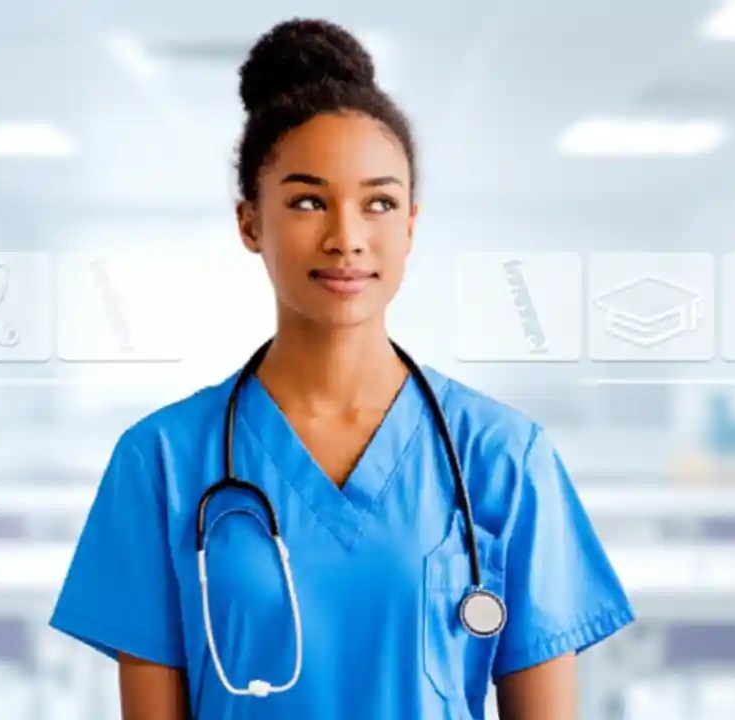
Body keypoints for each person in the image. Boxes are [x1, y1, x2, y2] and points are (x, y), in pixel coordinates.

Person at [49, 17, 634, 719]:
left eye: (378, 203)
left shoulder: (504, 457)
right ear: (249, 223)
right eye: (306, 201)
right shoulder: (162, 461)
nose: (346, 238)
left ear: (411, 225)